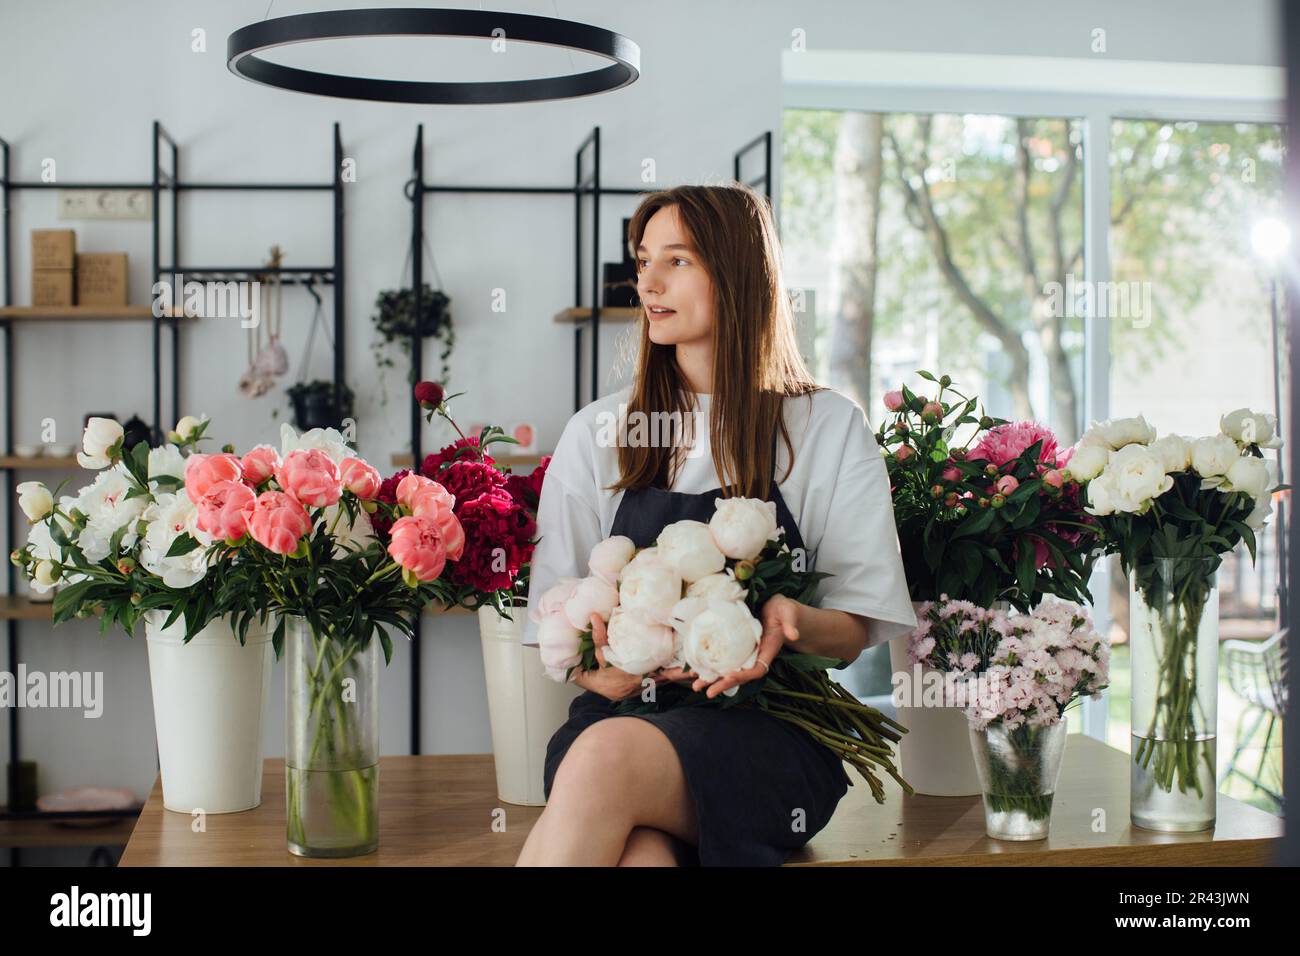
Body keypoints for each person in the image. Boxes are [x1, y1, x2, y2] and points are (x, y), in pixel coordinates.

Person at [514, 183, 915, 867]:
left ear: (737, 272)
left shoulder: (825, 427)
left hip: (771, 735)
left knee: (605, 766)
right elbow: (554, 618)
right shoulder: (598, 433)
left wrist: (789, 618)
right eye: (643, 261)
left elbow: (852, 631)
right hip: (622, 717)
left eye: (678, 261)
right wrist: (596, 673)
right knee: (641, 854)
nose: (649, 282)